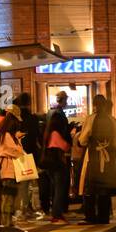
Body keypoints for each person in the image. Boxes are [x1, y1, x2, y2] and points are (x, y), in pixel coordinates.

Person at [79, 94, 116, 223]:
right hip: (108, 157)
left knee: (90, 186)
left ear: (94, 105)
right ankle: (104, 216)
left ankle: (91, 216)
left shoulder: (91, 119)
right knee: (105, 186)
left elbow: (82, 140)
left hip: (93, 157)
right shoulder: (112, 120)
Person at [43, 91, 73, 224]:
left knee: (55, 187)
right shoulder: (56, 132)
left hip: (50, 160)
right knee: (60, 187)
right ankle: (57, 215)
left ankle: (56, 213)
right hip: (57, 160)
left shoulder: (48, 132)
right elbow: (64, 146)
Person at [13, 93, 43, 221]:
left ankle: (22, 208)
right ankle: (25, 208)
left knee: (22, 182)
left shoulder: (16, 118)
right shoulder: (32, 118)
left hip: (17, 153)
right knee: (29, 182)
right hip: (30, 154)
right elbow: (36, 136)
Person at [0, 109, 24, 227]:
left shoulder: (0, 133)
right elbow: (15, 151)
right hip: (8, 170)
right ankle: (6, 223)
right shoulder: (6, 135)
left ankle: (1, 222)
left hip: (3, 170)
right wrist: (19, 147)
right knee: (8, 197)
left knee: (2, 196)